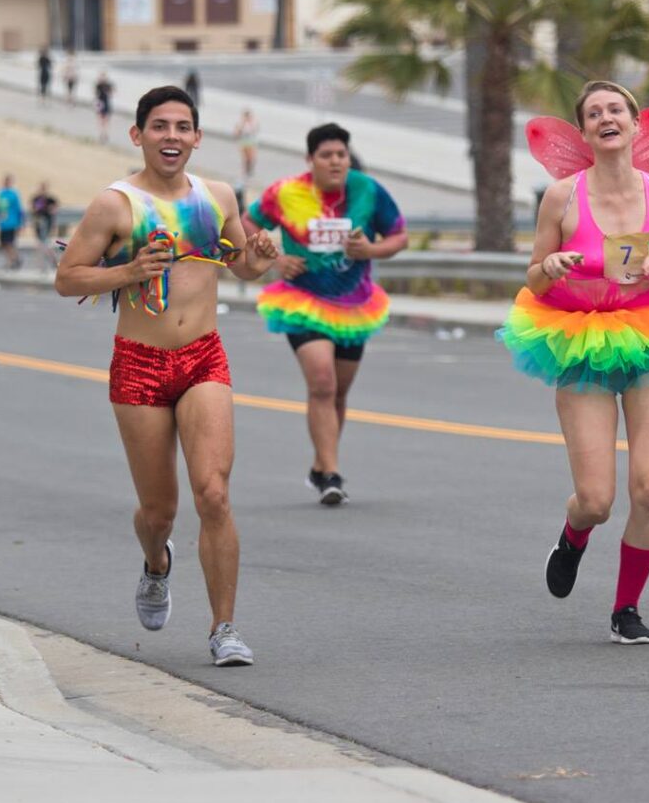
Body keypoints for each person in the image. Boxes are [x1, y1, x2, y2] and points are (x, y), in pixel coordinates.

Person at [55, 85, 280, 666]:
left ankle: (223, 627)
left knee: (215, 493)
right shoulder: (115, 205)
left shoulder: (218, 196)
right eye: (160, 126)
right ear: (138, 135)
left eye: (183, 127)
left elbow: (244, 268)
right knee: (160, 512)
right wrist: (129, 269)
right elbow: (68, 277)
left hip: (203, 356)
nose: (172, 136)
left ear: (198, 138)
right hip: (140, 364)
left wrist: (261, 250)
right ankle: (157, 562)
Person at [499, 81, 649, 645]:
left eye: (616, 109)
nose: (607, 118)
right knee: (598, 499)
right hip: (580, 340)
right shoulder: (562, 197)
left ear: (633, 123)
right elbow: (531, 276)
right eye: (594, 113)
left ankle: (626, 609)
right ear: (583, 132)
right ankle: (574, 535)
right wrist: (550, 264)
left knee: (648, 489)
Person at [245, 123, 407, 506]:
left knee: (338, 391)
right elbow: (247, 222)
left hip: (354, 305)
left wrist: (372, 250)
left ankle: (321, 465)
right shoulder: (286, 192)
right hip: (302, 301)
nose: (335, 162)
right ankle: (332, 476)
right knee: (322, 380)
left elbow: (399, 236)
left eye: (341, 155)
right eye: (326, 155)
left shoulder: (367, 191)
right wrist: (276, 259)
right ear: (310, 160)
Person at [0, 174, 25, 270]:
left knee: (10, 242)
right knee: (3, 244)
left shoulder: (14, 194)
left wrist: (21, 223)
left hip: (12, 222)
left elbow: (19, 209)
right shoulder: (0, 193)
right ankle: (13, 259)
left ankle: (13, 260)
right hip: (3, 223)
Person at [31, 181, 60, 271]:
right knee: (41, 243)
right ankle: (51, 261)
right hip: (39, 223)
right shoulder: (36, 199)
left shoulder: (50, 199)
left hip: (47, 223)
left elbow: (55, 208)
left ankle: (47, 263)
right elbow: (33, 210)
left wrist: (52, 210)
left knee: (44, 243)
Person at [233, 108, 259, 180]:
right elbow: (236, 133)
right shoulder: (240, 124)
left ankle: (249, 170)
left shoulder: (253, 123)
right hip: (244, 143)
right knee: (245, 158)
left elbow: (255, 130)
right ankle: (245, 172)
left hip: (251, 143)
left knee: (251, 158)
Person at [95, 71, 115, 142]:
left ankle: (105, 134)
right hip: (100, 103)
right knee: (100, 120)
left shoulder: (108, 85)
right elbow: (96, 95)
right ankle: (101, 134)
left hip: (106, 103)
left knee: (106, 120)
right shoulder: (98, 85)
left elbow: (112, 94)